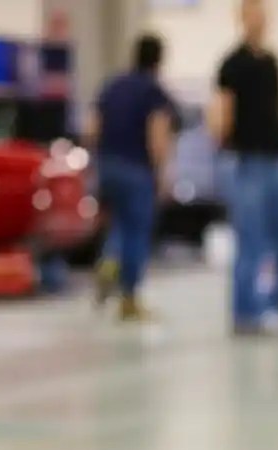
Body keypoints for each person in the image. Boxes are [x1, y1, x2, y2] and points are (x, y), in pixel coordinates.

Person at [209, 0, 278, 335]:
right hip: (248, 161)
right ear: (241, 19)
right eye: (251, 15)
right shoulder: (231, 64)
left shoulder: (272, 63)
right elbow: (222, 112)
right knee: (251, 239)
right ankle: (247, 311)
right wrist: (223, 143)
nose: (258, 21)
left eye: (261, 15)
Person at [87, 34, 176, 322]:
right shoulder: (154, 92)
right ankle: (129, 299)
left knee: (119, 224)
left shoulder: (112, 86)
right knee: (137, 232)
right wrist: (161, 173)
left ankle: (109, 262)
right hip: (137, 168)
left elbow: (91, 130)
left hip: (108, 165)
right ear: (159, 59)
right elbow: (157, 136)